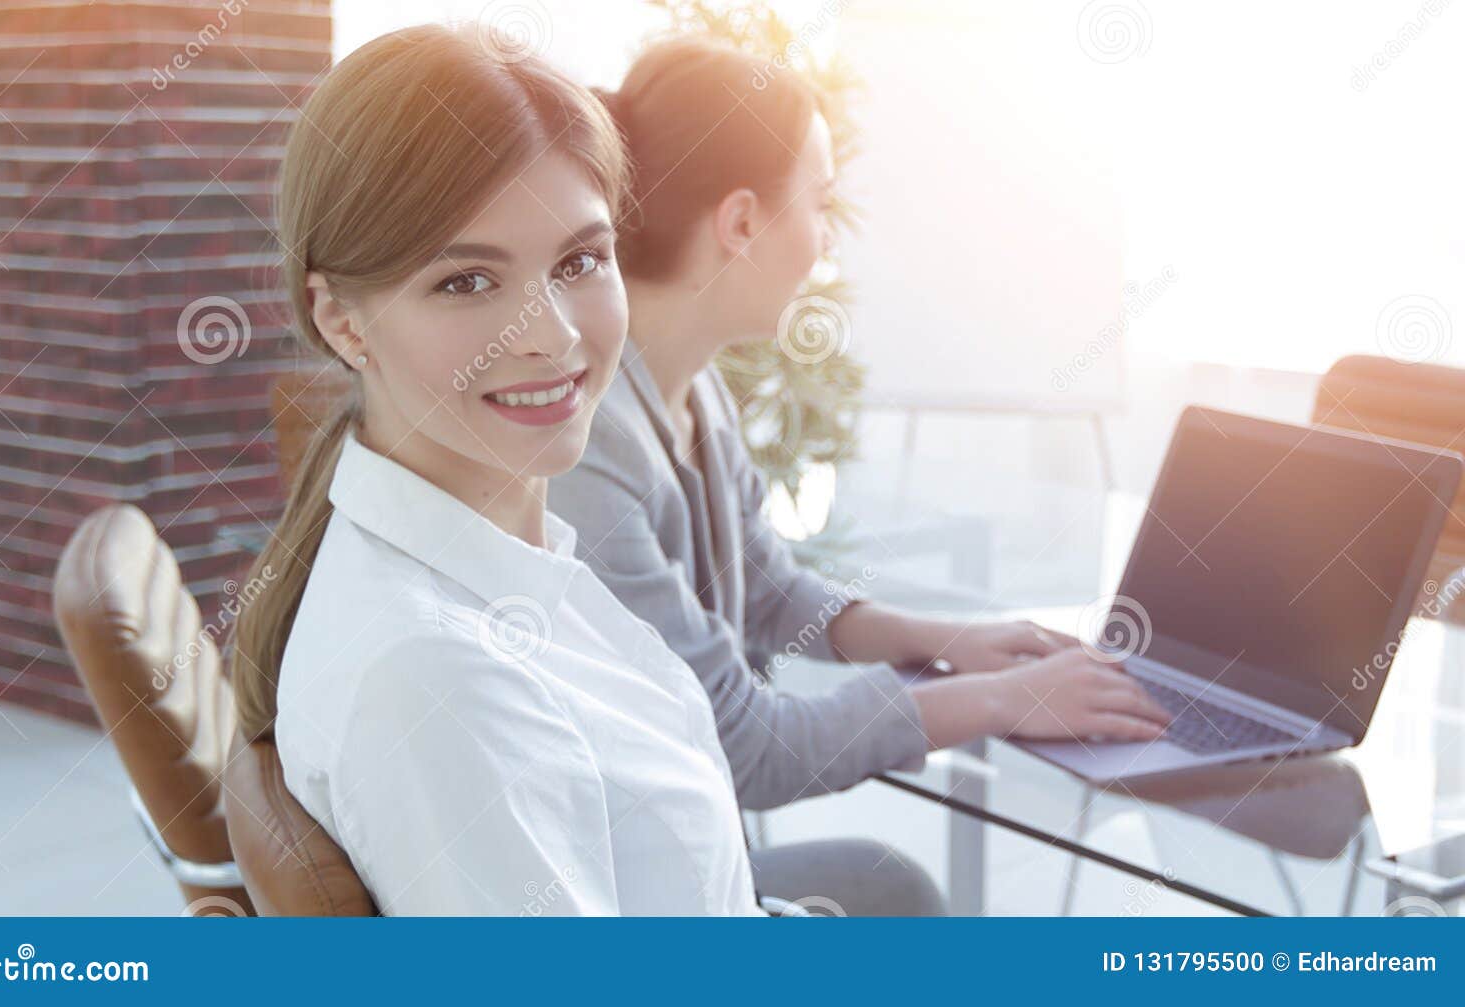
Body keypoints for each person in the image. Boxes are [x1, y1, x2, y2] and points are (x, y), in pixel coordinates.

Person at [549, 38, 1171, 914]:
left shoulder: (693, 392)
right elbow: (751, 748)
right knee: (898, 894)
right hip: (618, 892)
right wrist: (1001, 699)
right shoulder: (591, 445)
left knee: (895, 887)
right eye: (822, 205)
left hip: (683, 856)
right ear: (739, 223)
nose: (825, 246)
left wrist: (948, 640)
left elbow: (767, 591)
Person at [228, 26, 760, 916]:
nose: (550, 334)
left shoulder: (488, 571)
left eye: (580, 260)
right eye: (467, 282)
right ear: (344, 322)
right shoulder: (437, 680)